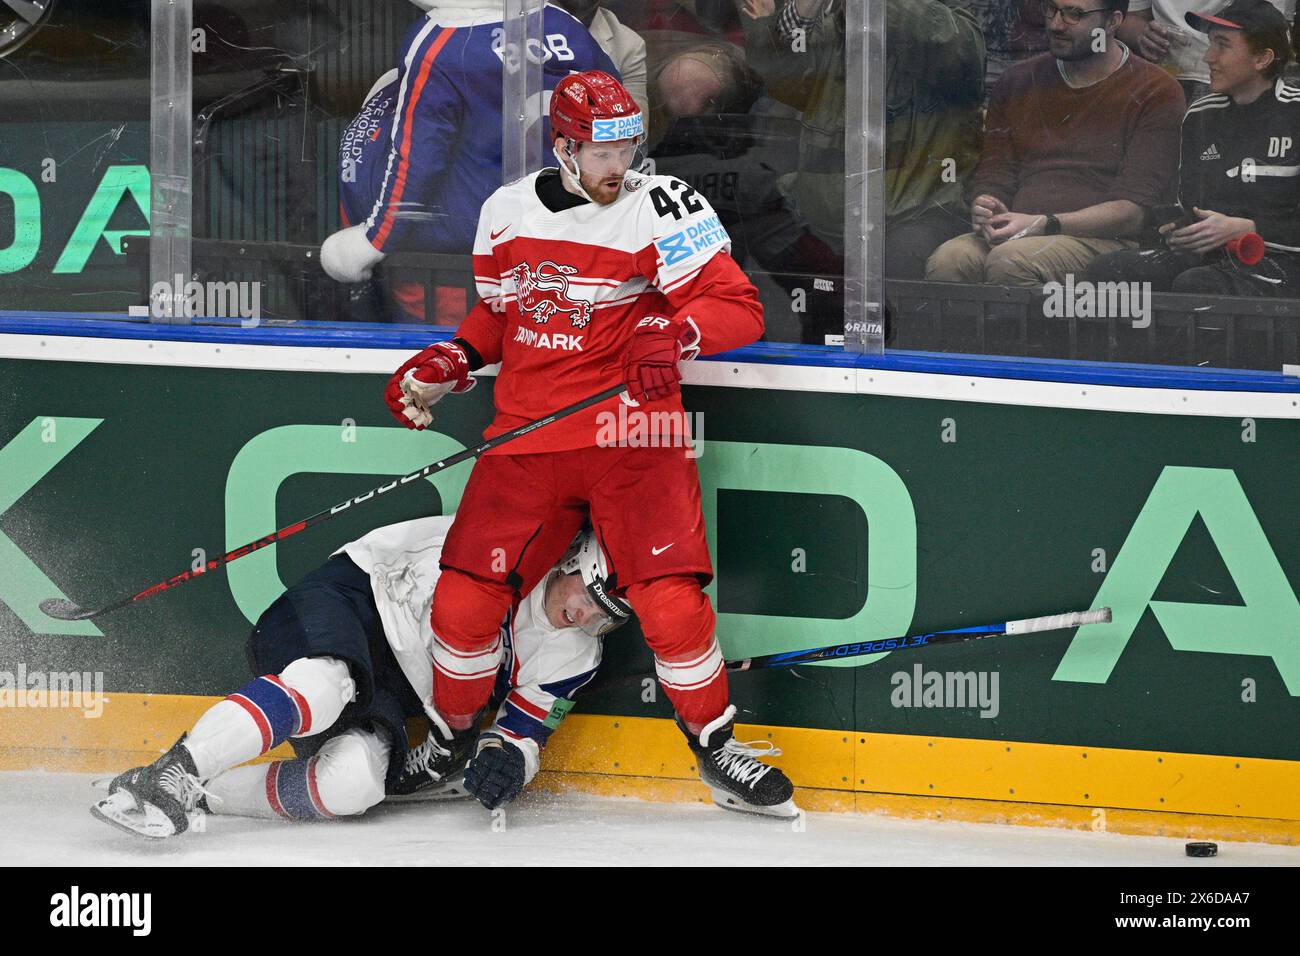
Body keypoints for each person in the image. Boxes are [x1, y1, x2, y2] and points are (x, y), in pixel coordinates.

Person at [385, 70, 797, 817]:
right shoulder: (506, 212)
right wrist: (450, 361)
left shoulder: (661, 206)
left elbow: (739, 306)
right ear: (565, 147)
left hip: (635, 435)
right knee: (463, 602)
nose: (618, 166)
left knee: (671, 604)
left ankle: (715, 746)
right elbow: (498, 319)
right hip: (528, 436)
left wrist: (678, 332)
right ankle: (449, 740)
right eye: (602, 152)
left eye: (627, 147)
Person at [90, 517, 619, 838]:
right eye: (589, 599)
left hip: (393, 683)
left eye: (606, 617)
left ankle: (198, 791)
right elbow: (436, 635)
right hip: (354, 602)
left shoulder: (577, 654)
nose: (587, 619)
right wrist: (445, 738)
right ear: (572, 561)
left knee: (354, 785)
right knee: (325, 684)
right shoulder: (505, 548)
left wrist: (505, 760)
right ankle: (175, 769)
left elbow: (523, 733)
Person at [320, 0, 619, 321]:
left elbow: (417, 160)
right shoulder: (564, 24)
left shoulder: (441, 41)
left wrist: (372, 241)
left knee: (453, 360)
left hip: (461, 269)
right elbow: (616, 120)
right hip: (559, 262)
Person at [924, 0, 1186, 287]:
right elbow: (995, 174)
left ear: (1113, 22)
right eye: (1052, 9)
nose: (1056, 24)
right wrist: (987, 203)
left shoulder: (1156, 90)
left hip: (1104, 240)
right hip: (1020, 229)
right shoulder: (1017, 80)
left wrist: (1044, 223)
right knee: (948, 261)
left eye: (1074, 14)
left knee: (1010, 263)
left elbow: (1133, 213)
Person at [1089, 0, 1300, 295]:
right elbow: (1190, 204)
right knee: (1108, 270)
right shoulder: (1201, 114)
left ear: (1262, 58)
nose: (1208, 58)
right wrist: (1180, 228)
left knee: (1198, 285)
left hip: (1283, 260)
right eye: (1210, 44)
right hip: (1215, 256)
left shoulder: (1294, 113)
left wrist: (1251, 228)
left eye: (1222, 46)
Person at [1119, 0, 1294, 102]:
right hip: (1166, 72)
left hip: (1238, 79)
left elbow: (1270, 27)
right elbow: (1131, 16)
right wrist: (1143, 34)